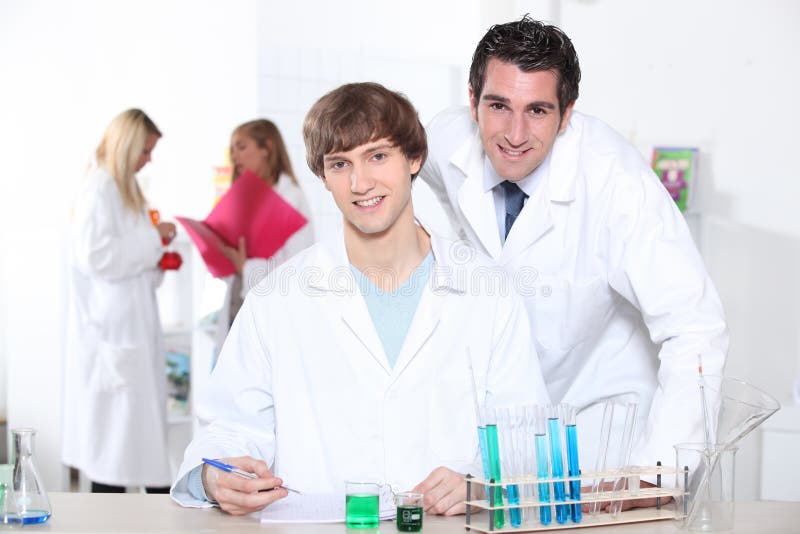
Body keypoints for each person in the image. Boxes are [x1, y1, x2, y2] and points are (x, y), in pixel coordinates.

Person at [171, 82, 550, 516]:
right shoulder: (275, 299)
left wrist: (481, 482)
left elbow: (526, 438)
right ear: (323, 177)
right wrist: (213, 476)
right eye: (339, 164)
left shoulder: (490, 294)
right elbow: (228, 429)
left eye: (377, 156)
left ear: (414, 158)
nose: (360, 182)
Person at [418, 16, 728, 485]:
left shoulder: (616, 182)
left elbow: (696, 329)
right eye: (498, 105)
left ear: (567, 114)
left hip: (601, 427)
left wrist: (657, 475)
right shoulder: (445, 140)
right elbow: (423, 187)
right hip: (501, 424)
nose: (515, 134)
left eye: (538, 111)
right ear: (472, 100)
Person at [62, 108, 176, 493]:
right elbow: (96, 257)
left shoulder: (124, 189)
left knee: (131, 443)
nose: (149, 159)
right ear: (127, 145)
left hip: (131, 326)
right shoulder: (101, 187)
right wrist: (153, 238)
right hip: (113, 333)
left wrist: (159, 253)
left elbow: (128, 257)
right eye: (145, 150)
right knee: (113, 448)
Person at [214, 119, 314, 350]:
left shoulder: (291, 199)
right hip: (238, 305)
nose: (234, 157)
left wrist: (245, 267)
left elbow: (297, 271)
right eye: (232, 150)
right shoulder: (243, 201)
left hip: (274, 314)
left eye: (241, 147)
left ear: (266, 148)